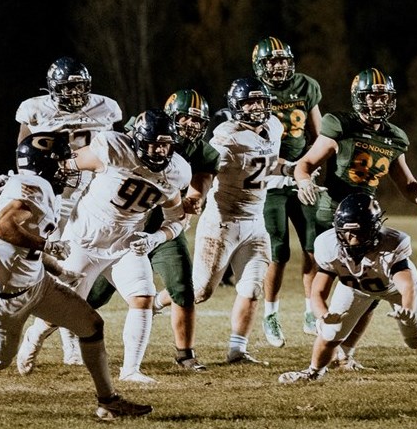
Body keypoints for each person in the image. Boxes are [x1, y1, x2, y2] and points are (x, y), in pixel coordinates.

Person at [0, 133, 150, 420]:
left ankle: (108, 402)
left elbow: (27, 244)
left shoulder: (40, 187)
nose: (68, 167)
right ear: (46, 164)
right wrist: (48, 244)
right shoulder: (34, 185)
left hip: (38, 284)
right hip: (6, 295)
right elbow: (3, 228)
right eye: (62, 161)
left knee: (92, 326)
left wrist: (60, 270)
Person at [293, 68, 417, 370]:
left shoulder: (394, 137)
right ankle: (317, 318)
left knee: (372, 289)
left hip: (367, 219)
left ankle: (346, 351)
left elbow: (408, 186)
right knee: (331, 275)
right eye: (372, 96)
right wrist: (303, 180)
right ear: (359, 98)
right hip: (333, 213)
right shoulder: (340, 125)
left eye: (383, 96)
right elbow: (306, 163)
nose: (378, 102)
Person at [16, 111, 192, 384]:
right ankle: (35, 335)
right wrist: (22, 184)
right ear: (137, 141)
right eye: (154, 143)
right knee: (60, 314)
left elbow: (176, 219)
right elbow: (62, 167)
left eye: (166, 144)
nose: (160, 150)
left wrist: (155, 238)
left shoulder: (177, 171)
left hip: (124, 244)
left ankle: (131, 370)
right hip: (84, 242)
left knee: (142, 298)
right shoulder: (113, 148)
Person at [278, 194, 417, 384]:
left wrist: (407, 308)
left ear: (374, 228)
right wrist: (323, 315)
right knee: (330, 332)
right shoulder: (327, 244)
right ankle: (313, 372)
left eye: (359, 232)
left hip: (393, 289)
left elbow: (407, 285)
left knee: (416, 341)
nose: (352, 239)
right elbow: (318, 292)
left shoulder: (392, 243)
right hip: (354, 288)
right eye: (347, 232)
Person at [14, 56, 123, 367]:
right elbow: (25, 150)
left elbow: (113, 147)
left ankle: (68, 340)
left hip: (95, 193)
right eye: (68, 87)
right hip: (57, 195)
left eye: (79, 86)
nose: (75, 93)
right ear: (52, 89)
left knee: (76, 270)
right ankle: (66, 340)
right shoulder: (35, 109)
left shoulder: (106, 107)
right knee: (67, 268)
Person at [191, 77, 292, 367]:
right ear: (237, 105)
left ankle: (237, 351)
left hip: (255, 222)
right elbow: (207, 169)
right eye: (250, 101)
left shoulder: (274, 126)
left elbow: (266, 162)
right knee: (199, 291)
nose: (257, 106)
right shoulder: (227, 135)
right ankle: (160, 302)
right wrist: (197, 195)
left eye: (260, 100)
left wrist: (291, 170)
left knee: (251, 288)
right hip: (222, 222)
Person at [137, 90, 220, 372]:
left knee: (183, 285)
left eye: (197, 121)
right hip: (128, 224)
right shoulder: (144, 129)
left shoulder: (200, 152)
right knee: (96, 292)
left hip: (166, 226)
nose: (191, 125)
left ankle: (186, 355)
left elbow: (202, 179)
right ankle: (45, 332)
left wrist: (196, 198)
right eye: (185, 117)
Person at [250, 37, 323, 350]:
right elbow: (253, 142)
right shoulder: (253, 93)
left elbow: (319, 134)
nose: (279, 66)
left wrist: (313, 166)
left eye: (283, 60)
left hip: (303, 179)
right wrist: (287, 168)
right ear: (260, 66)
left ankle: (311, 310)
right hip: (272, 183)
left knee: (314, 249)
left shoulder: (305, 87)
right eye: (273, 61)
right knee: (278, 252)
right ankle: (271, 314)